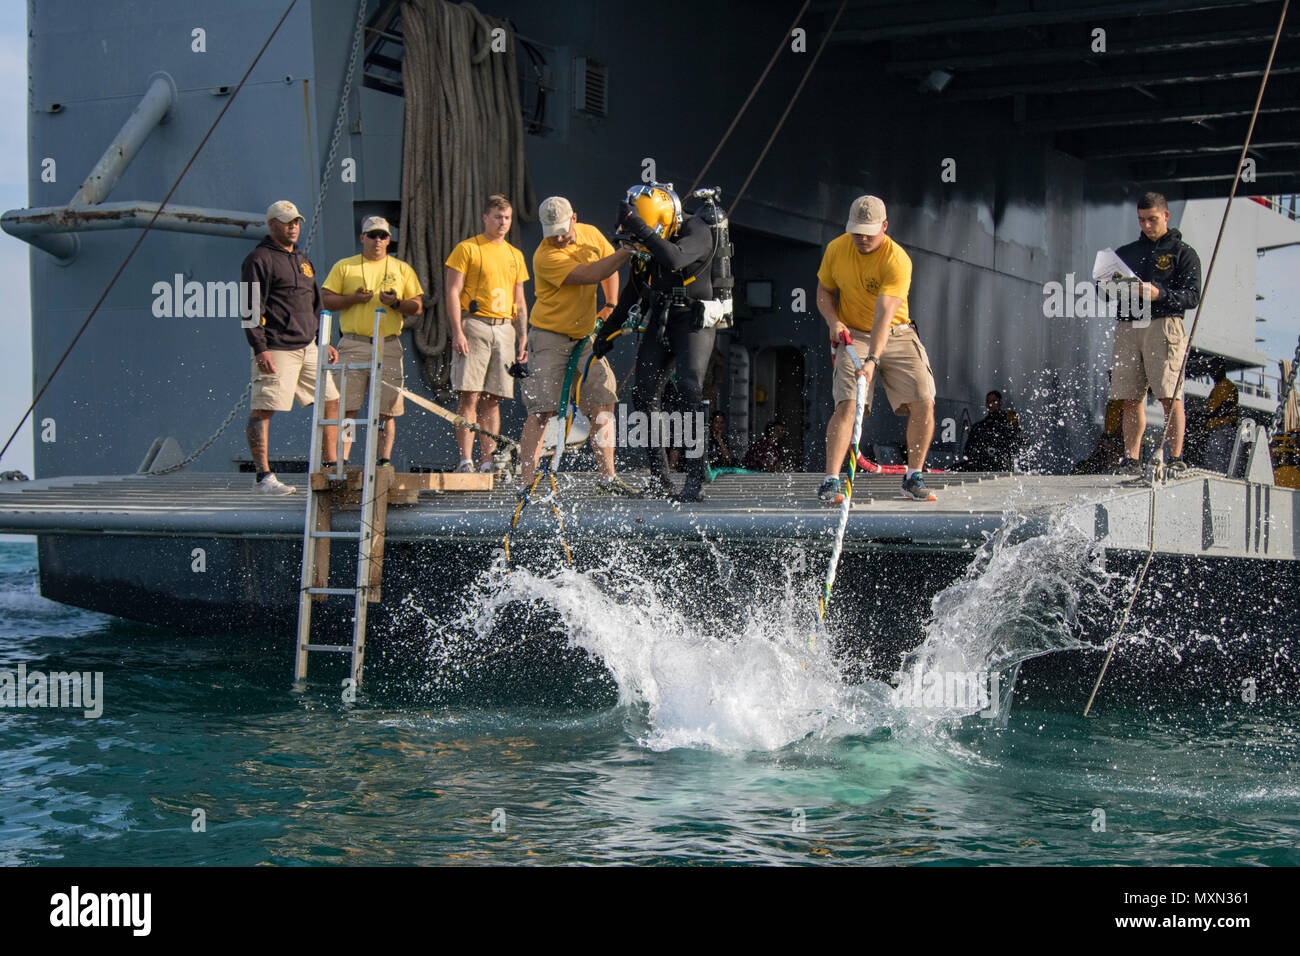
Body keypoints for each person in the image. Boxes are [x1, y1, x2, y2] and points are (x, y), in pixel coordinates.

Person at [594, 183, 727, 502]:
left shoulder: (697, 230)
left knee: (689, 391)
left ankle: (694, 480)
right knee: (643, 395)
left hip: (693, 319)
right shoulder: (648, 245)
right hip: (662, 316)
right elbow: (634, 289)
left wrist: (640, 227)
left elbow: (675, 258)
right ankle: (661, 477)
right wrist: (606, 334)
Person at [815, 195, 937, 503]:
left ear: (884, 226)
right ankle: (830, 482)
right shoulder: (836, 249)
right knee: (848, 404)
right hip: (852, 332)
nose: (861, 238)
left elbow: (884, 316)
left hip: (895, 331)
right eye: (856, 231)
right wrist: (833, 321)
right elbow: (824, 292)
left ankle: (913, 476)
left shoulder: (897, 260)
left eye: (868, 233)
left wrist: (872, 360)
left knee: (924, 398)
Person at [518, 196, 640, 495]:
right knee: (541, 411)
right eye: (551, 234)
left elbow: (607, 268)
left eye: (562, 231)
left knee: (603, 401)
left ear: (575, 218)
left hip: (585, 336)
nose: (558, 239)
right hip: (549, 337)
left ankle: (607, 479)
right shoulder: (544, 256)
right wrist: (630, 249)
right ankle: (527, 485)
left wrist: (611, 304)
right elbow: (593, 273)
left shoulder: (590, 234)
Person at [241, 200, 340, 495]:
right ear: (272, 225)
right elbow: (250, 307)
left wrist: (325, 341)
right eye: (287, 222)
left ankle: (331, 467)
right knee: (265, 408)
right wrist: (260, 348)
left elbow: (315, 303)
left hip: (309, 346)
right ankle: (264, 477)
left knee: (332, 399)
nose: (293, 227)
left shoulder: (303, 259)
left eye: (296, 221)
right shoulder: (258, 259)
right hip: (277, 347)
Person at [1109, 191, 1202, 477]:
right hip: (1129, 324)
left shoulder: (1183, 253)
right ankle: (1131, 458)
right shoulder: (1125, 254)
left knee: (1168, 395)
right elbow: (1105, 291)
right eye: (1141, 220)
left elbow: (1192, 296)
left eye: (1152, 219)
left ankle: (1175, 457)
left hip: (1164, 323)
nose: (1146, 226)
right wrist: (1107, 286)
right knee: (1130, 396)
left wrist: (1159, 293)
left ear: (1166, 216)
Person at [319, 216, 423, 468]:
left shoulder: (402, 269)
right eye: (372, 235)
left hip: (388, 344)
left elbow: (417, 307)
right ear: (362, 238)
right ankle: (342, 460)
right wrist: (352, 299)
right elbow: (326, 300)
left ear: (388, 239)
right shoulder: (345, 267)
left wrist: (396, 303)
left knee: (386, 410)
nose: (378, 240)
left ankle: (383, 460)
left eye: (383, 236)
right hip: (354, 343)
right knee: (348, 408)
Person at [444, 195, 530, 474]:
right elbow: (453, 292)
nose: (502, 222)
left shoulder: (515, 255)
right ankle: (465, 460)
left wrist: (523, 335)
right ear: (485, 217)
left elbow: (519, 299)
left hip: (504, 327)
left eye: (506, 217)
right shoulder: (467, 248)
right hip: (475, 324)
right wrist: (457, 331)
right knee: (469, 394)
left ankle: (488, 461)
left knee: (494, 398)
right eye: (497, 217)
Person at [959, 390, 1021, 471]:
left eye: (994, 401)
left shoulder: (1008, 421)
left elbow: (1012, 442)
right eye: (988, 402)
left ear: (1000, 403)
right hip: (983, 464)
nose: (990, 404)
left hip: (1000, 464)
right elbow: (968, 451)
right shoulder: (979, 427)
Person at [1204, 358, 1240, 473]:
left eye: (1214, 369)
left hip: (1223, 429)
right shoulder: (1217, 388)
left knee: (1220, 460)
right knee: (1212, 459)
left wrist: (1210, 415)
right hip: (1216, 429)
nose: (1211, 373)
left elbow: (1227, 406)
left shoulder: (1227, 386)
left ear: (1221, 369)